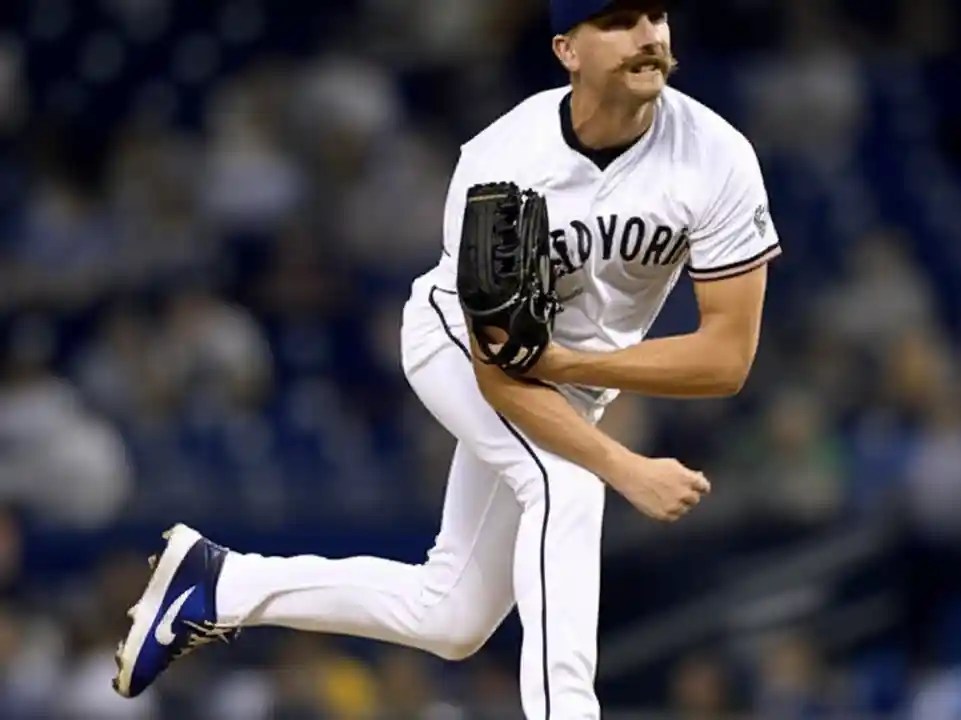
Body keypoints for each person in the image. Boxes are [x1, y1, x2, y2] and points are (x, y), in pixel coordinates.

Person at [111, 1, 781, 717]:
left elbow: (727, 357)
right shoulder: (506, 158)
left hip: (565, 378)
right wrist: (624, 466)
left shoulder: (716, 155)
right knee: (571, 485)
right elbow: (500, 370)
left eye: (657, 15)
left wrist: (569, 367)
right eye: (619, 21)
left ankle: (223, 585)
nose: (649, 36)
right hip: (457, 345)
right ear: (567, 50)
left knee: (453, 618)